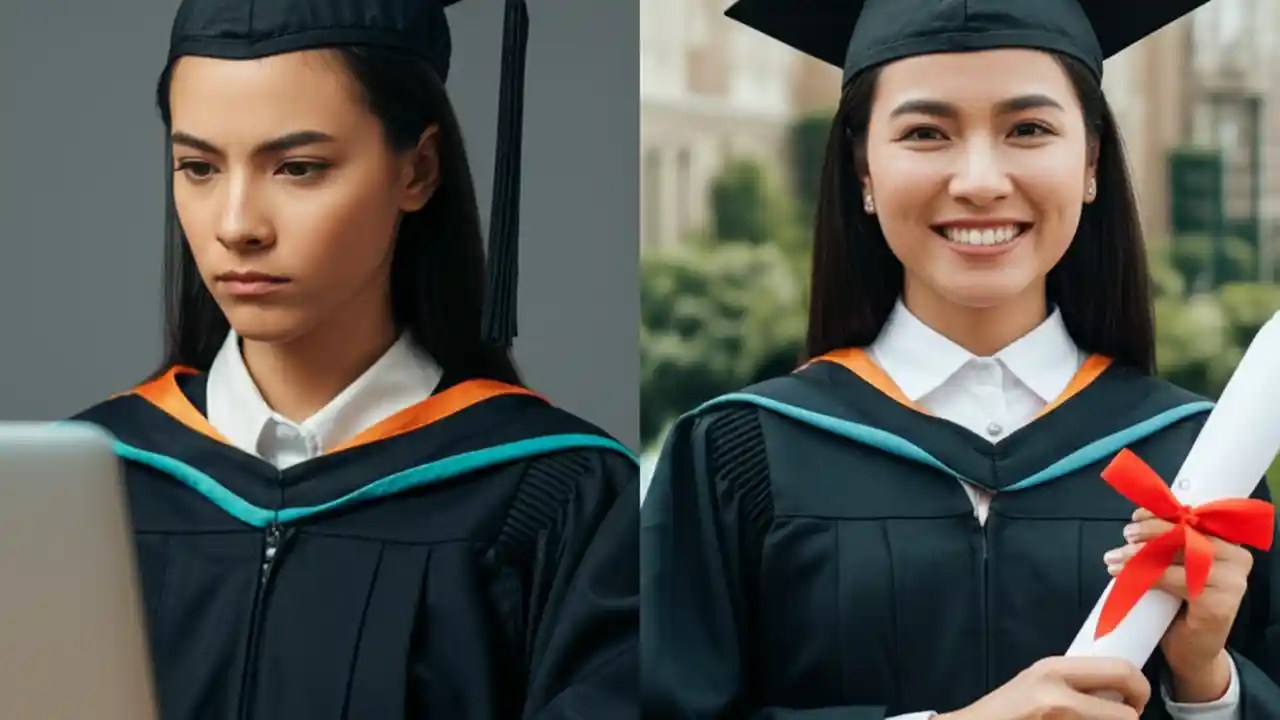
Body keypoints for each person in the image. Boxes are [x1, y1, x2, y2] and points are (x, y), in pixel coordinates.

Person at [641, 0, 1280, 718]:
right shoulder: (738, 456)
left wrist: (1208, 684)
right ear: (863, 172)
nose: (979, 180)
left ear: (1091, 161)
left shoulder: (1198, 465)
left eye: (1028, 129)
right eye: (925, 132)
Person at [72, 0, 638, 717]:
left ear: (418, 171)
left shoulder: (561, 500)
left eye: (299, 167)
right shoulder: (90, 486)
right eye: (198, 167)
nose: (237, 225)